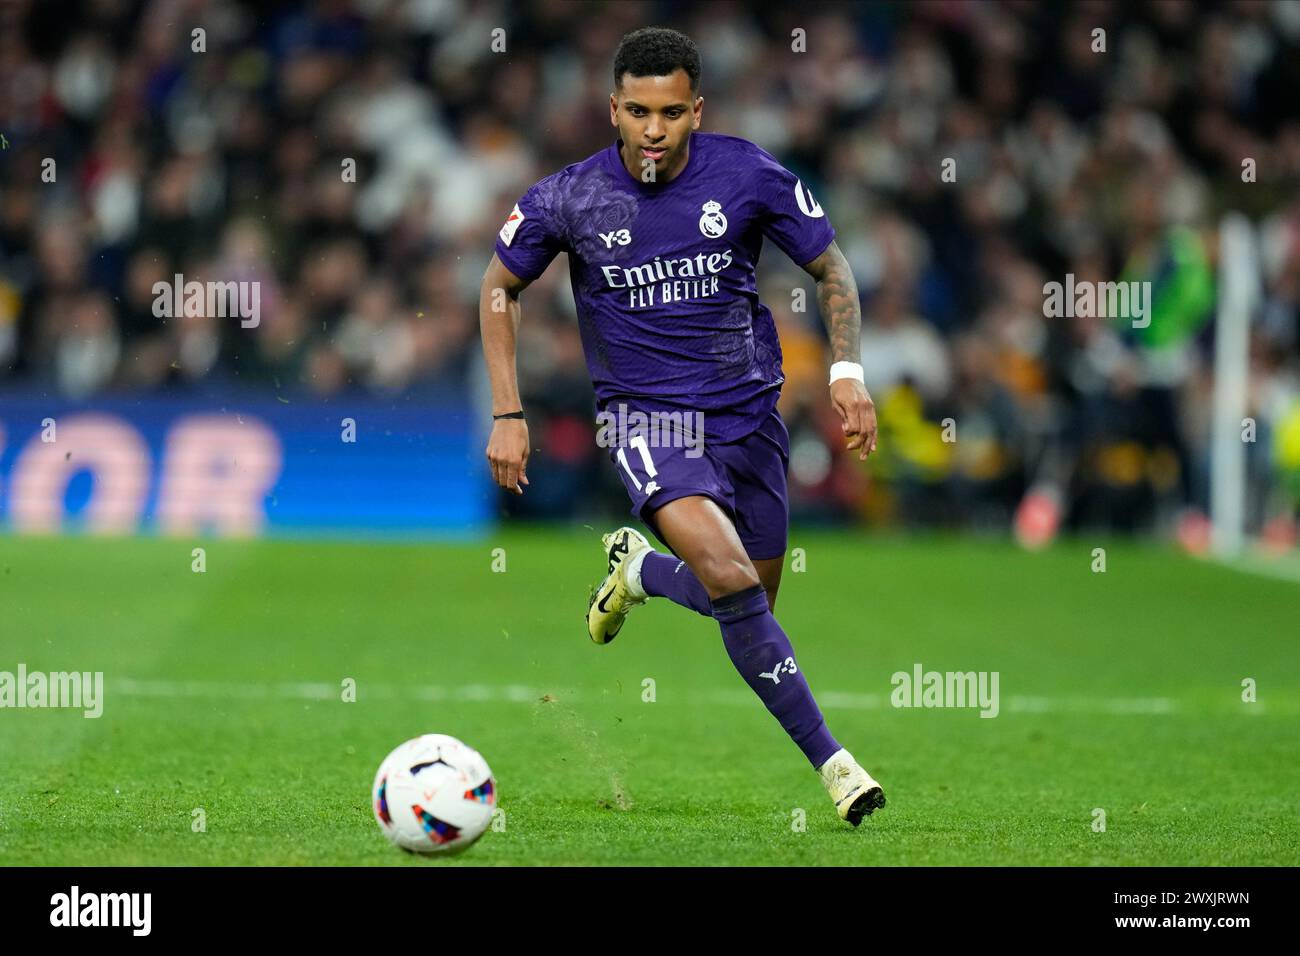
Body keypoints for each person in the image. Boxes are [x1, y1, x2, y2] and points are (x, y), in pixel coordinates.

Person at [480, 26, 885, 825]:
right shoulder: (570, 196)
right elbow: (499, 286)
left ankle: (640, 573)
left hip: (749, 417)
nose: (653, 129)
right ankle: (836, 765)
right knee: (733, 581)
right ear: (614, 111)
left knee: (746, 600)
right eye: (637, 111)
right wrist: (508, 410)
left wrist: (846, 373)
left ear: (696, 109)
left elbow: (831, 267)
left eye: (669, 112)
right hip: (646, 420)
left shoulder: (748, 174)